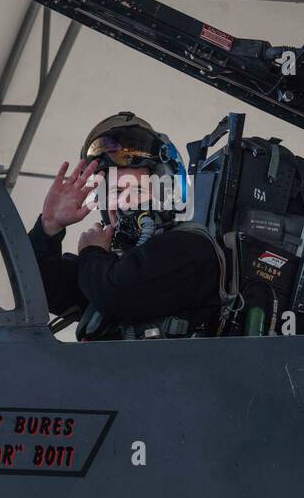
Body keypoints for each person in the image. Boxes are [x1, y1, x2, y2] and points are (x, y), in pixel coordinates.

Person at [28, 112, 226, 339]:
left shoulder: (191, 248)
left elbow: (118, 294)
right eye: (116, 192)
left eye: (138, 190)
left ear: (165, 193)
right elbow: (39, 292)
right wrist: (49, 227)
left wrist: (92, 252)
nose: (127, 202)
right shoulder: (108, 266)